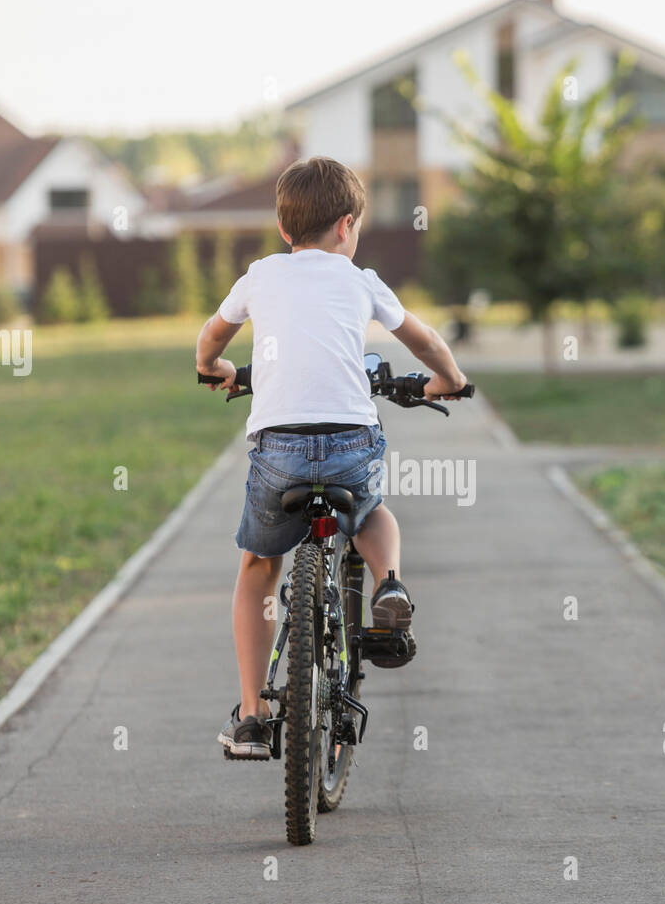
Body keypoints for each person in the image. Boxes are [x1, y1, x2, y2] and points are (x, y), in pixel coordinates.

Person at [195, 156, 467, 758]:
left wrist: (211, 367)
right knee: (371, 512)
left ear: (284, 228)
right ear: (347, 226)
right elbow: (423, 339)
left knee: (257, 566)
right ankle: (389, 584)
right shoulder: (359, 280)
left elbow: (212, 336)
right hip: (349, 442)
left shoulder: (260, 275)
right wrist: (447, 378)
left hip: (279, 451)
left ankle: (251, 712)